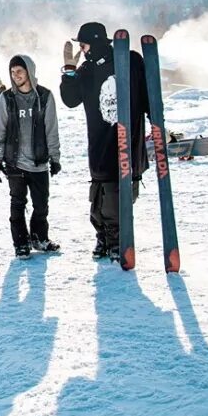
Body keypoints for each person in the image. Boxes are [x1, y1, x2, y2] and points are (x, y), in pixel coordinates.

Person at [59, 21, 150, 262]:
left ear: (98, 41)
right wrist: (69, 70)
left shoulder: (129, 61)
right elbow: (70, 100)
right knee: (97, 201)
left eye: (85, 44)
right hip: (98, 145)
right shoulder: (86, 71)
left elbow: (147, 93)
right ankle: (103, 238)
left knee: (116, 199)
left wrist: (156, 121)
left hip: (125, 144)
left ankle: (117, 242)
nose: (83, 50)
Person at [0, 55, 62, 259]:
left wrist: (55, 158)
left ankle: (39, 238)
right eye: (12, 72)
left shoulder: (45, 96)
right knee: (17, 204)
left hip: (39, 162)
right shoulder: (7, 98)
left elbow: (51, 129)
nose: (16, 76)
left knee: (41, 205)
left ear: (29, 71)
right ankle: (21, 243)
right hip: (15, 162)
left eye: (19, 71)